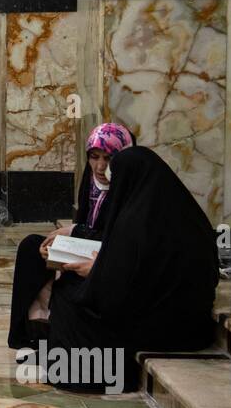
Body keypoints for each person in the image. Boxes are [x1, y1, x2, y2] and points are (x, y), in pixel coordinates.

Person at [32, 145, 219, 392]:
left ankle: (76, 370)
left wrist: (95, 272)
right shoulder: (182, 212)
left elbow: (125, 286)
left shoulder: (137, 221)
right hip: (193, 322)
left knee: (70, 296)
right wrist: (102, 269)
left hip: (165, 325)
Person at [7, 122, 133, 349]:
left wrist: (74, 232)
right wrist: (60, 244)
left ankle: (52, 326)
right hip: (87, 247)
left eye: (109, 159)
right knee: (33, 247)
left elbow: (118, 239)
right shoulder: (91, 183)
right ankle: (29, 331)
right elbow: (86, 225)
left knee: (68, 275)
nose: (100, 167)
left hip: (106, 259)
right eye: (95, 157)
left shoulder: (129, 188)